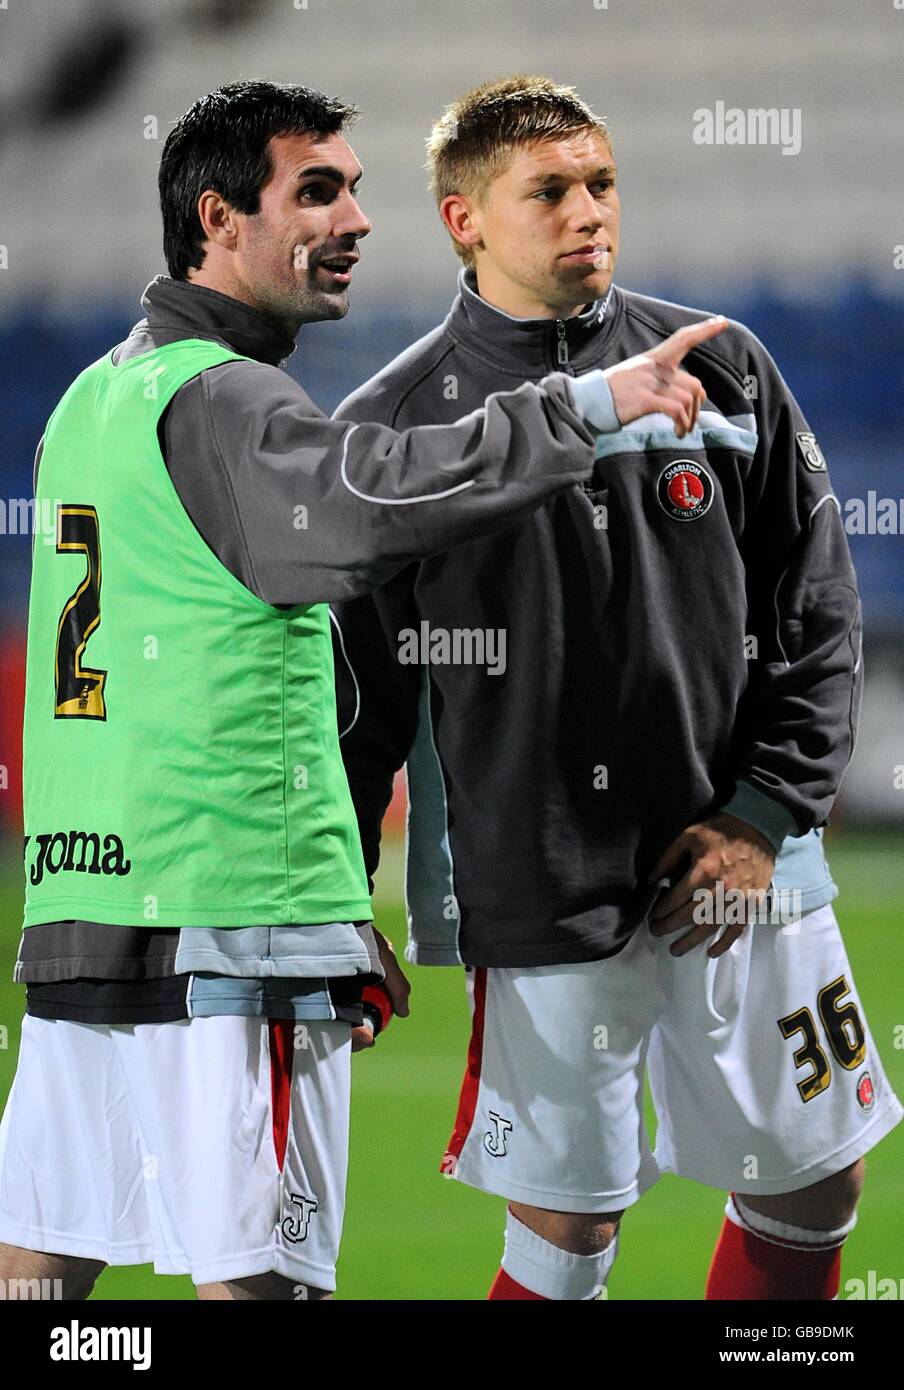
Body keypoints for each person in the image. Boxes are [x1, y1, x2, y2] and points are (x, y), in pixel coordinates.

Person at [0, 78, 720, 1303]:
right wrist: (585, 406)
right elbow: (366, 505)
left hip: (81, 920)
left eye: (356, 191)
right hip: (229, 933)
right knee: (263, 1288)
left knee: (39, 1289)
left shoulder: (87, 400)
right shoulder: (225, 399)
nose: (355, 221)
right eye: (316, 192)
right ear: (219, 218)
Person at [331, 74, 903, 1301]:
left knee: (814, 1181)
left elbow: (816, 606)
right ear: (463, 219)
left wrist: (760, 819)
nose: (590, 211)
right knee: (565, 1235)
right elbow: (352, 703)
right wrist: (330, 899)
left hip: (746, 868)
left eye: (602, 184)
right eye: (551, 191)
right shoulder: (396, 430)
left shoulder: (724, 367)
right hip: (540, 886)